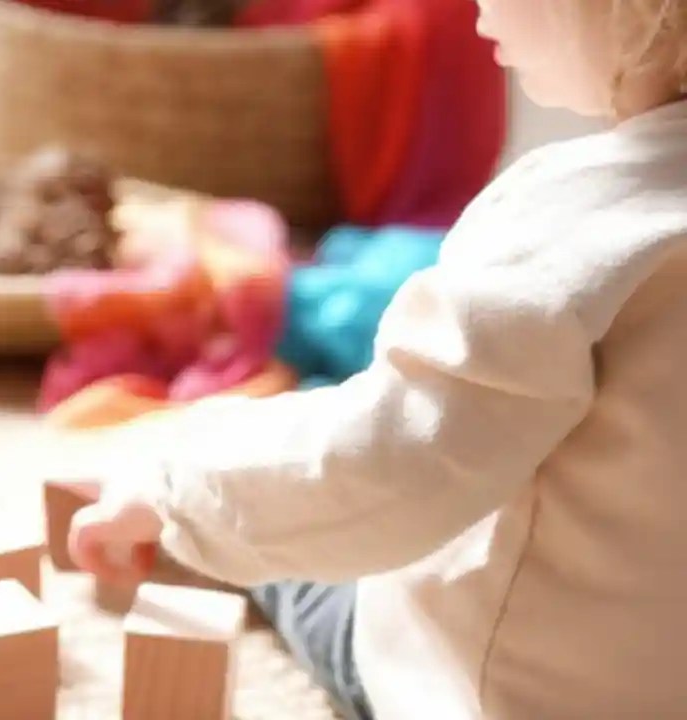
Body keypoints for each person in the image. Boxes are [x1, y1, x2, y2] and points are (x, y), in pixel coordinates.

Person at [66, 1, 687, 717]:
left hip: (512, 693)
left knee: (302, 541)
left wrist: (176, 493)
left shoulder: (572, 228)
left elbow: (387, 469)